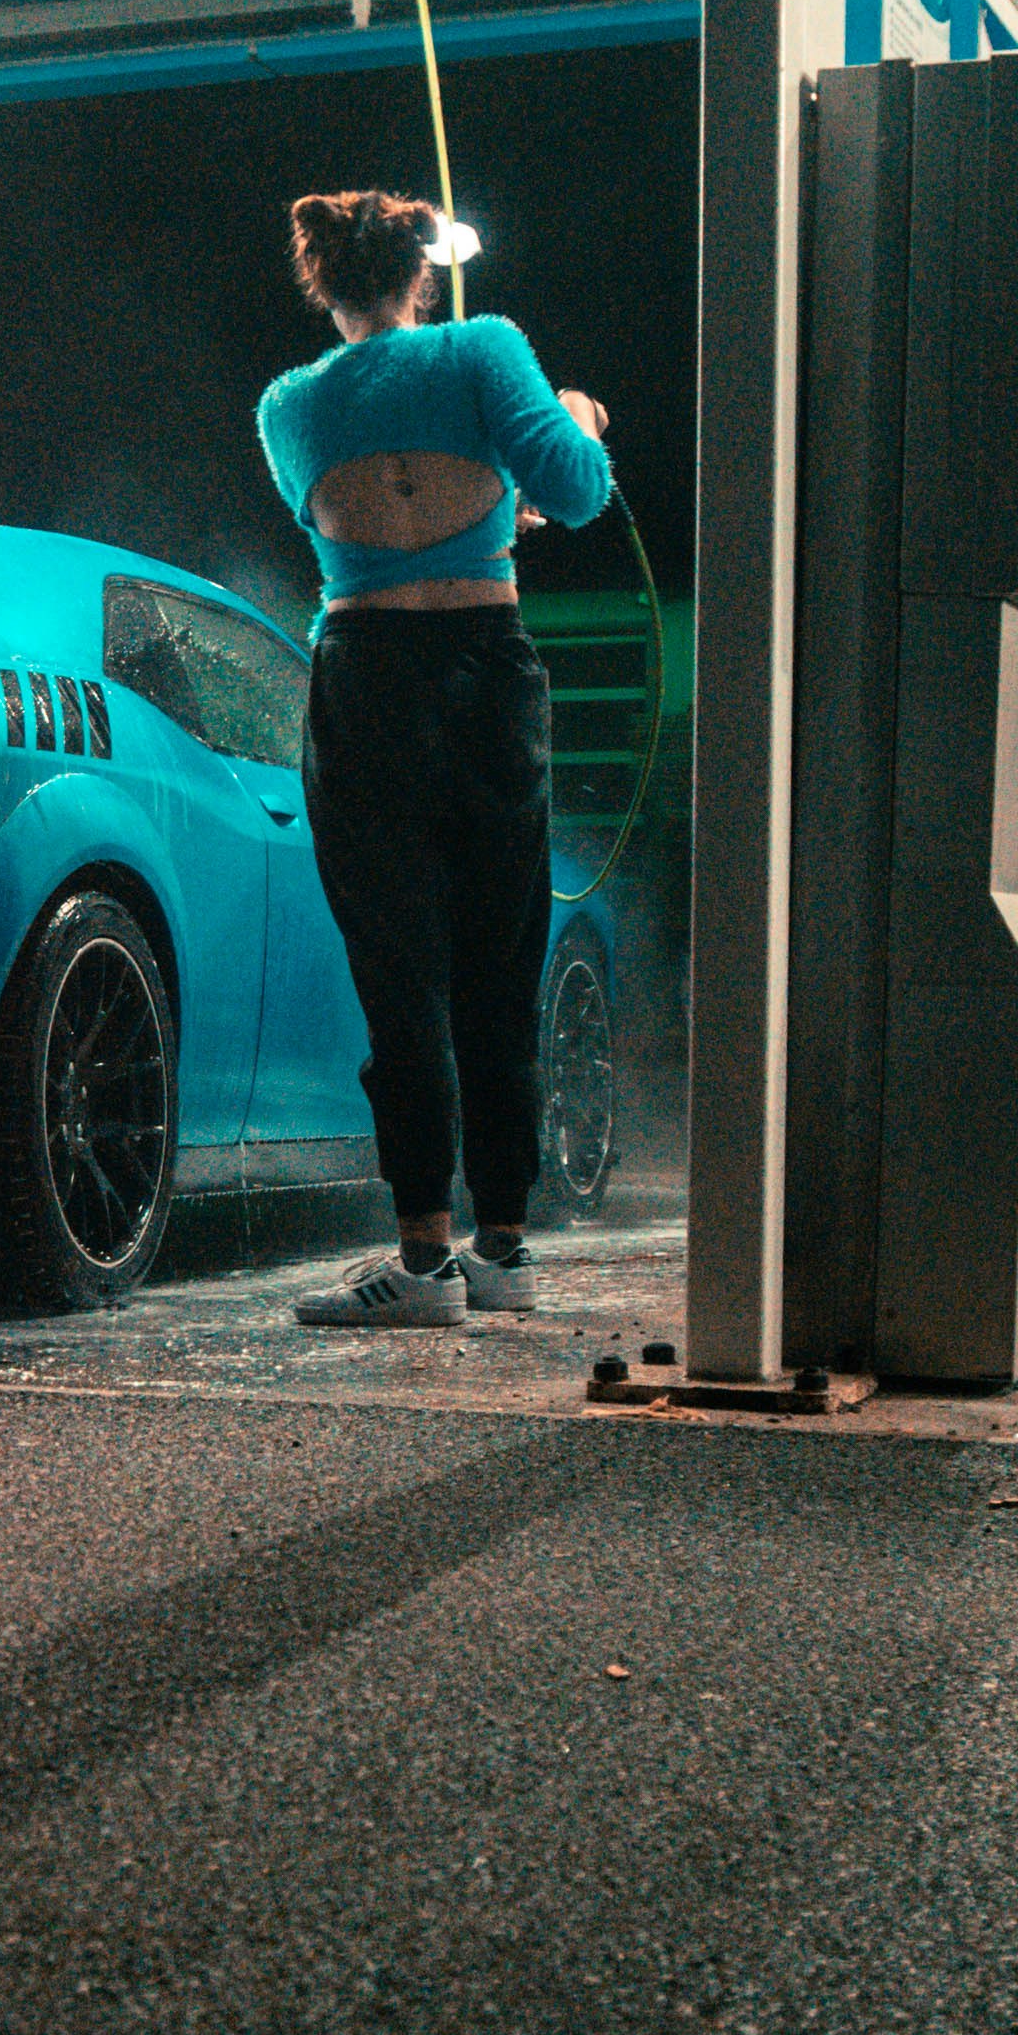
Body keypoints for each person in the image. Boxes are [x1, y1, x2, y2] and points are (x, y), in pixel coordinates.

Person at [248, 187, 616, 1327]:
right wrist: (574, 418)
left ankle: (420, 1262)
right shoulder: (484, 346)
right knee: (499, 962)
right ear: (421, 272)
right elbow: (579, 494)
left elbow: (343, 518)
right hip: (482, 671)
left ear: (323, 281)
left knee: (395, 979)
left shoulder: (287, 405)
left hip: (361, 679)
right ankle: (503, 1250)